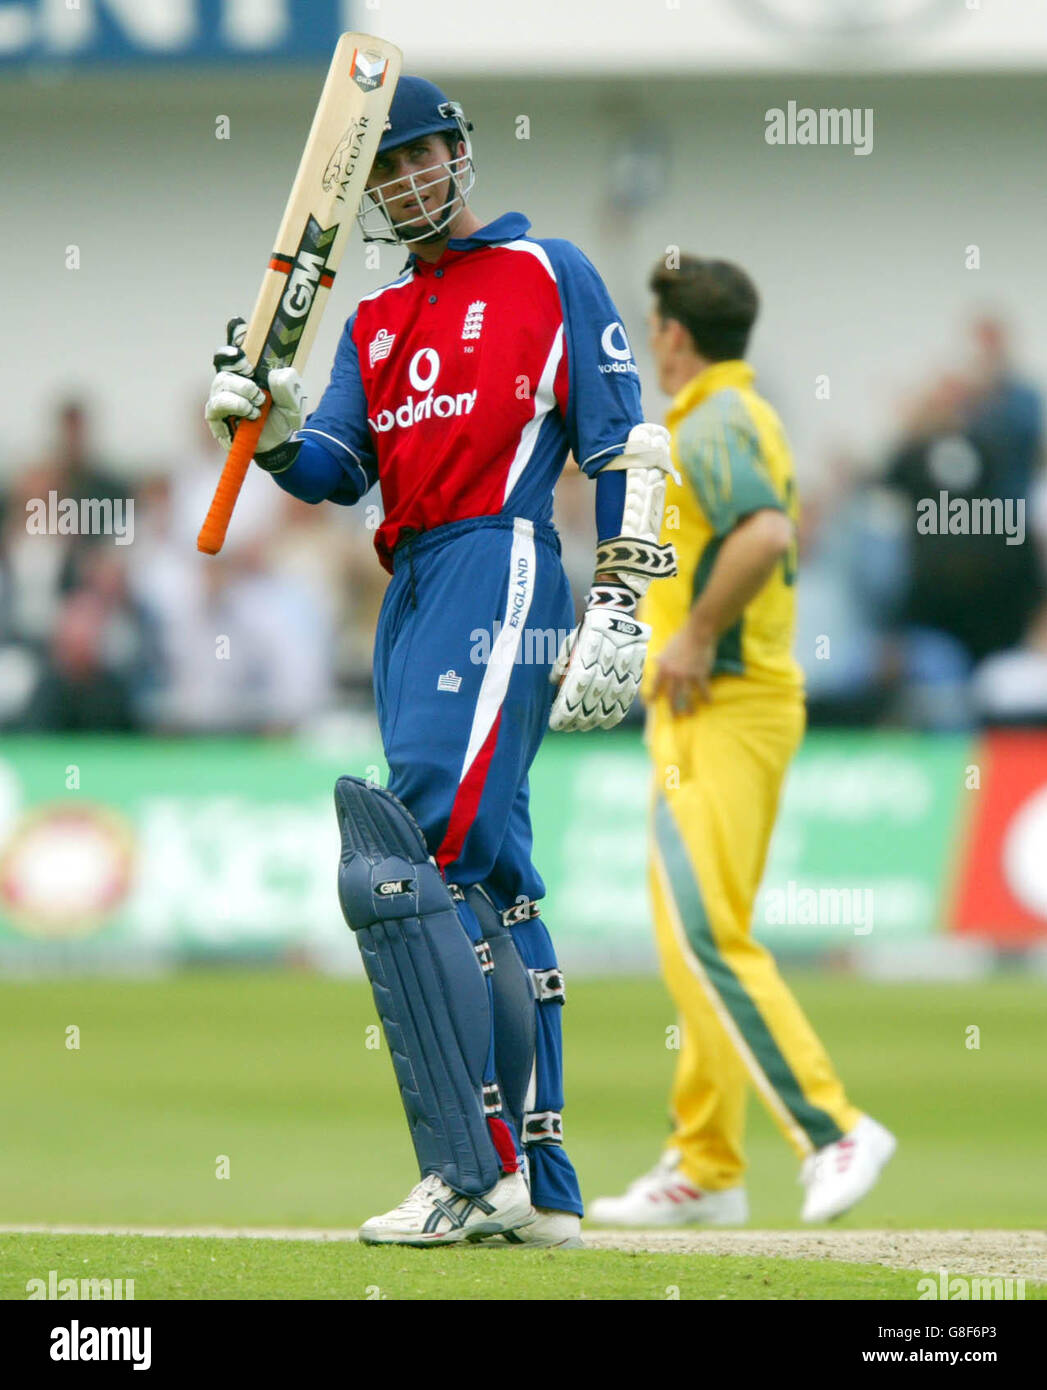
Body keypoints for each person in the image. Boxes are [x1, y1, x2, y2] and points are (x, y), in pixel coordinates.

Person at [204, 77, 675, 1247]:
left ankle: (469, 1170)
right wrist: (264, 432)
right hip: (411, 584)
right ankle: (540, 1186)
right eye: (388, 169)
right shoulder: (373, 322)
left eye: (425, 157)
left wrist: (620, 596)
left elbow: (623, 436)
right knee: (491, 878)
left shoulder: (547, 270)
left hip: (500, 560)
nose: (409, 181)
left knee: (406, 861)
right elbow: (335, 469)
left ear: (463, 155)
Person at [590, 256, 895, 1228]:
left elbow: (763, 533)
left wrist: (694, 633)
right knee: (696, 939)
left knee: (705, 934)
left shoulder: (713, 420)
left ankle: (834, 1128)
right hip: (729, 708)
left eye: (653, 324)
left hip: (721, 706)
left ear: (674, 333)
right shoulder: (733, 413)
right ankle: (707, 1163)